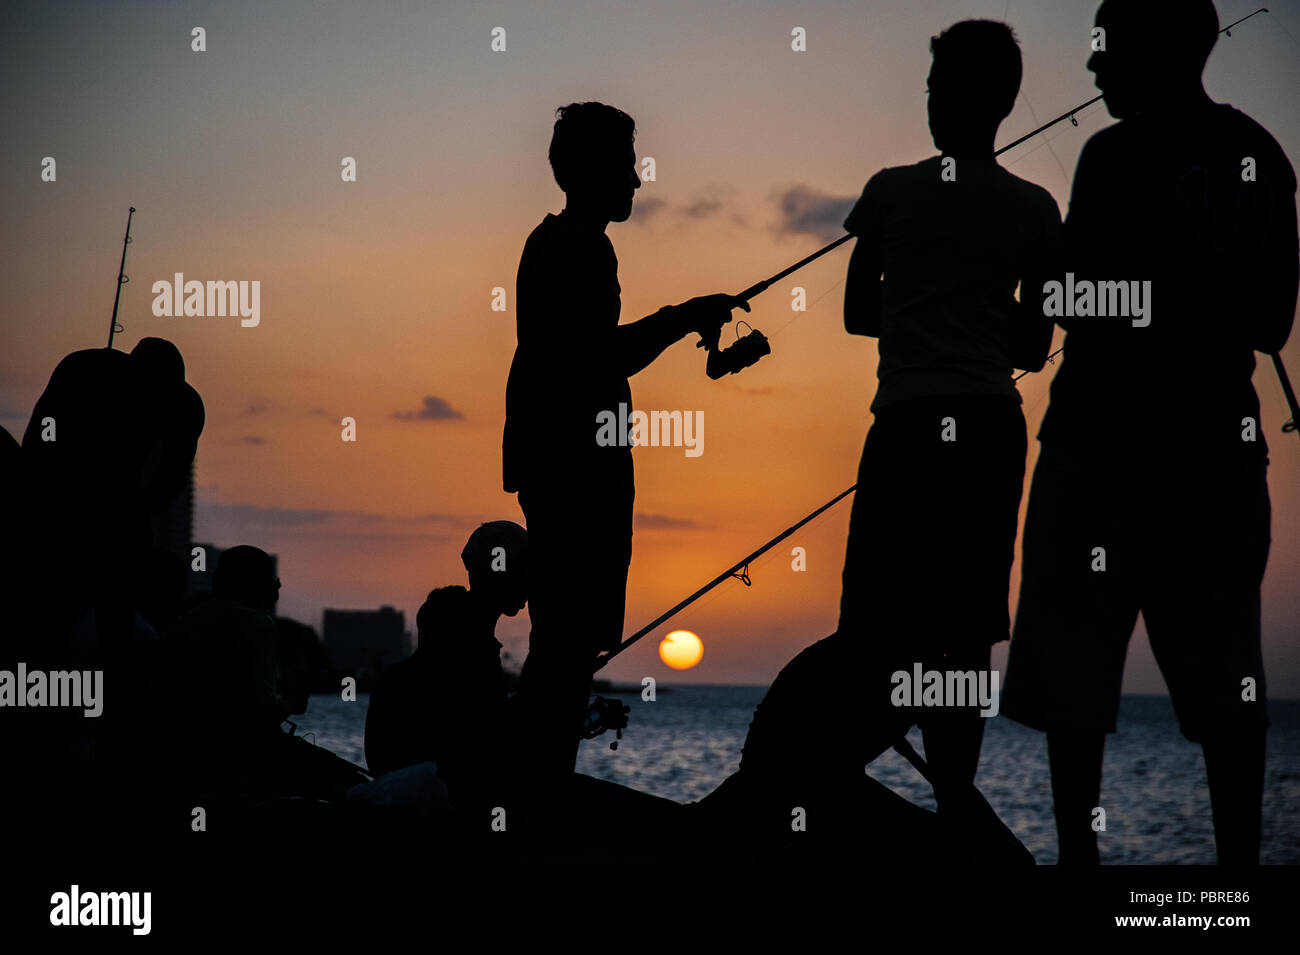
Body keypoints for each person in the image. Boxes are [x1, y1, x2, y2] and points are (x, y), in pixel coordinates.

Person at [1001, 0, 1297, 865]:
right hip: (1211, 457)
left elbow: (1072, 304)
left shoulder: (1110, 155)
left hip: (1100, 451)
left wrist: (1068, 278)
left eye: (1108, 51)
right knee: (1223, 686)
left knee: (1075, 686)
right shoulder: (1258, 154)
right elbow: (1273, 320)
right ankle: (1236, 882)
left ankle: (1081, 866)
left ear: (1159, 50)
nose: (1092, 70)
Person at [836, 20, 1061, 806]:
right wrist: (980, 309)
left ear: (972, 98)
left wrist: (922, 302)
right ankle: (955, 799)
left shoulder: (890, 190)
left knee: (873, 613)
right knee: (964, 626)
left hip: (904, 425)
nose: (931, 101)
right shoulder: (1035, 208)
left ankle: (843, 777)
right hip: (990, 431)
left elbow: (858, 312)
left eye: (937, 87)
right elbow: (1036, 340)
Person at [503, 101, 749, 778]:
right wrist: (683, 317)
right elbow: (596, 357)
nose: (639, 181)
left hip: (562, 461)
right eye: (628, 165)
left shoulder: (553, 242)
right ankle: (536, 787)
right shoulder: (579, 245)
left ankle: (535, 781)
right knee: (568, 640)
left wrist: (683, 318)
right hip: (576, 468)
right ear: (590, 170)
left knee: (565, 638)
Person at [363, 521, 528, 805]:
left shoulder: (454, 631)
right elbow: (481, 738)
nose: (530, 583)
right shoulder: (470, 649)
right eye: (525, 572)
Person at [160, 545, 285, 793]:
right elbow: (262, 713)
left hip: (172, 760)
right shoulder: (257, 624)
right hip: (230, 769)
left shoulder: (183, 622)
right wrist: (290, 701)